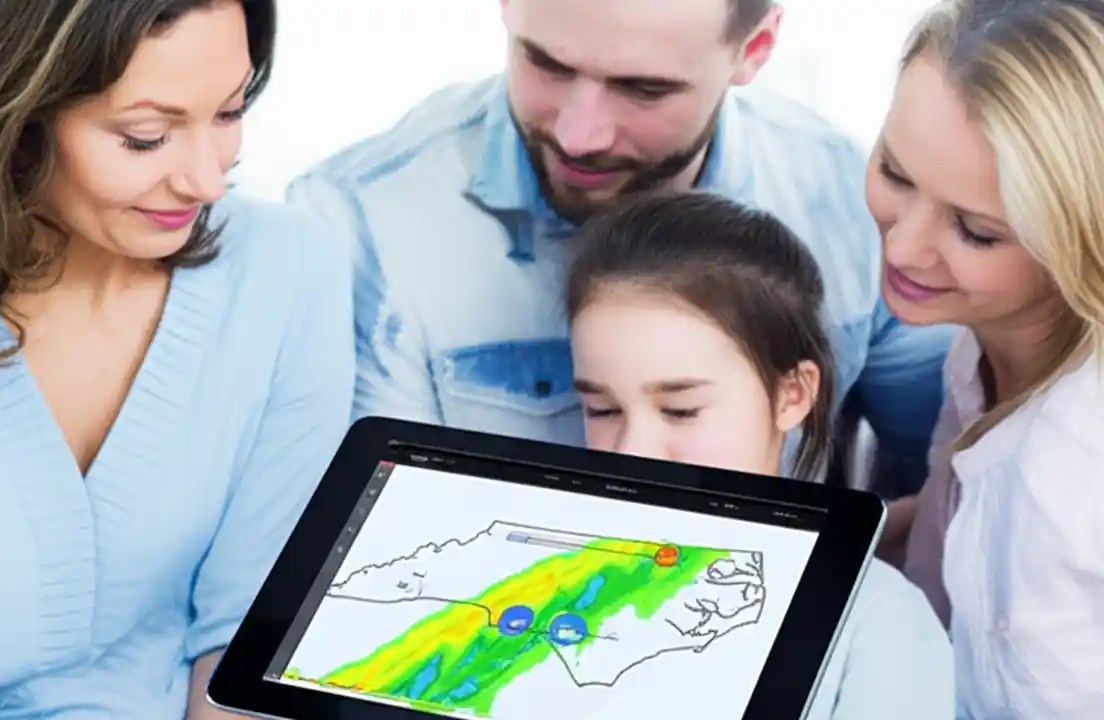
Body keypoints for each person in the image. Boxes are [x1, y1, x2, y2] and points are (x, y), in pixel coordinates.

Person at [0, 1, 353, 718]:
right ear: (7, 116)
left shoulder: (289, 270)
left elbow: (253, 646)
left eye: (229, 112)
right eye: (146, 137)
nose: (205, 179)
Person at [287, 0, 954, 492]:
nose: (579, 135)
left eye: (644, 89)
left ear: (753, 49)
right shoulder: (358, 223)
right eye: (545, 63)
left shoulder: (853, 203)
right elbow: (373, 543)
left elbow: (935, 483)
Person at [566, 189, 954, 719]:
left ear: (791, 394)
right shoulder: (542, 578)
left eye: (681, 410)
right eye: (602, 409)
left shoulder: (879, 626)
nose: (634, 453)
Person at [867, 0, 1104, 715]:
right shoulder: (983, 334)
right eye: (895, 173)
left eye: (975, 231)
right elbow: (950, 523)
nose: (902, 248)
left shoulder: (1074, 475)